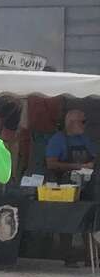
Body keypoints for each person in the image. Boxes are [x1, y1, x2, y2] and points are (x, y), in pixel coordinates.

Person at [45, 108, 94, 267]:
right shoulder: (57, 140)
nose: (85, 125)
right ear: (72, 123)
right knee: (66, 221)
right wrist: (76, 166)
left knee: (89, 218)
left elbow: (93, 156)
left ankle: (91, 257)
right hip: (64, 187)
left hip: (85, 185)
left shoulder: (84, 139)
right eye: (83, 122)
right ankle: (68, 256)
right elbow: (51, 163)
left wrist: (91, 164)